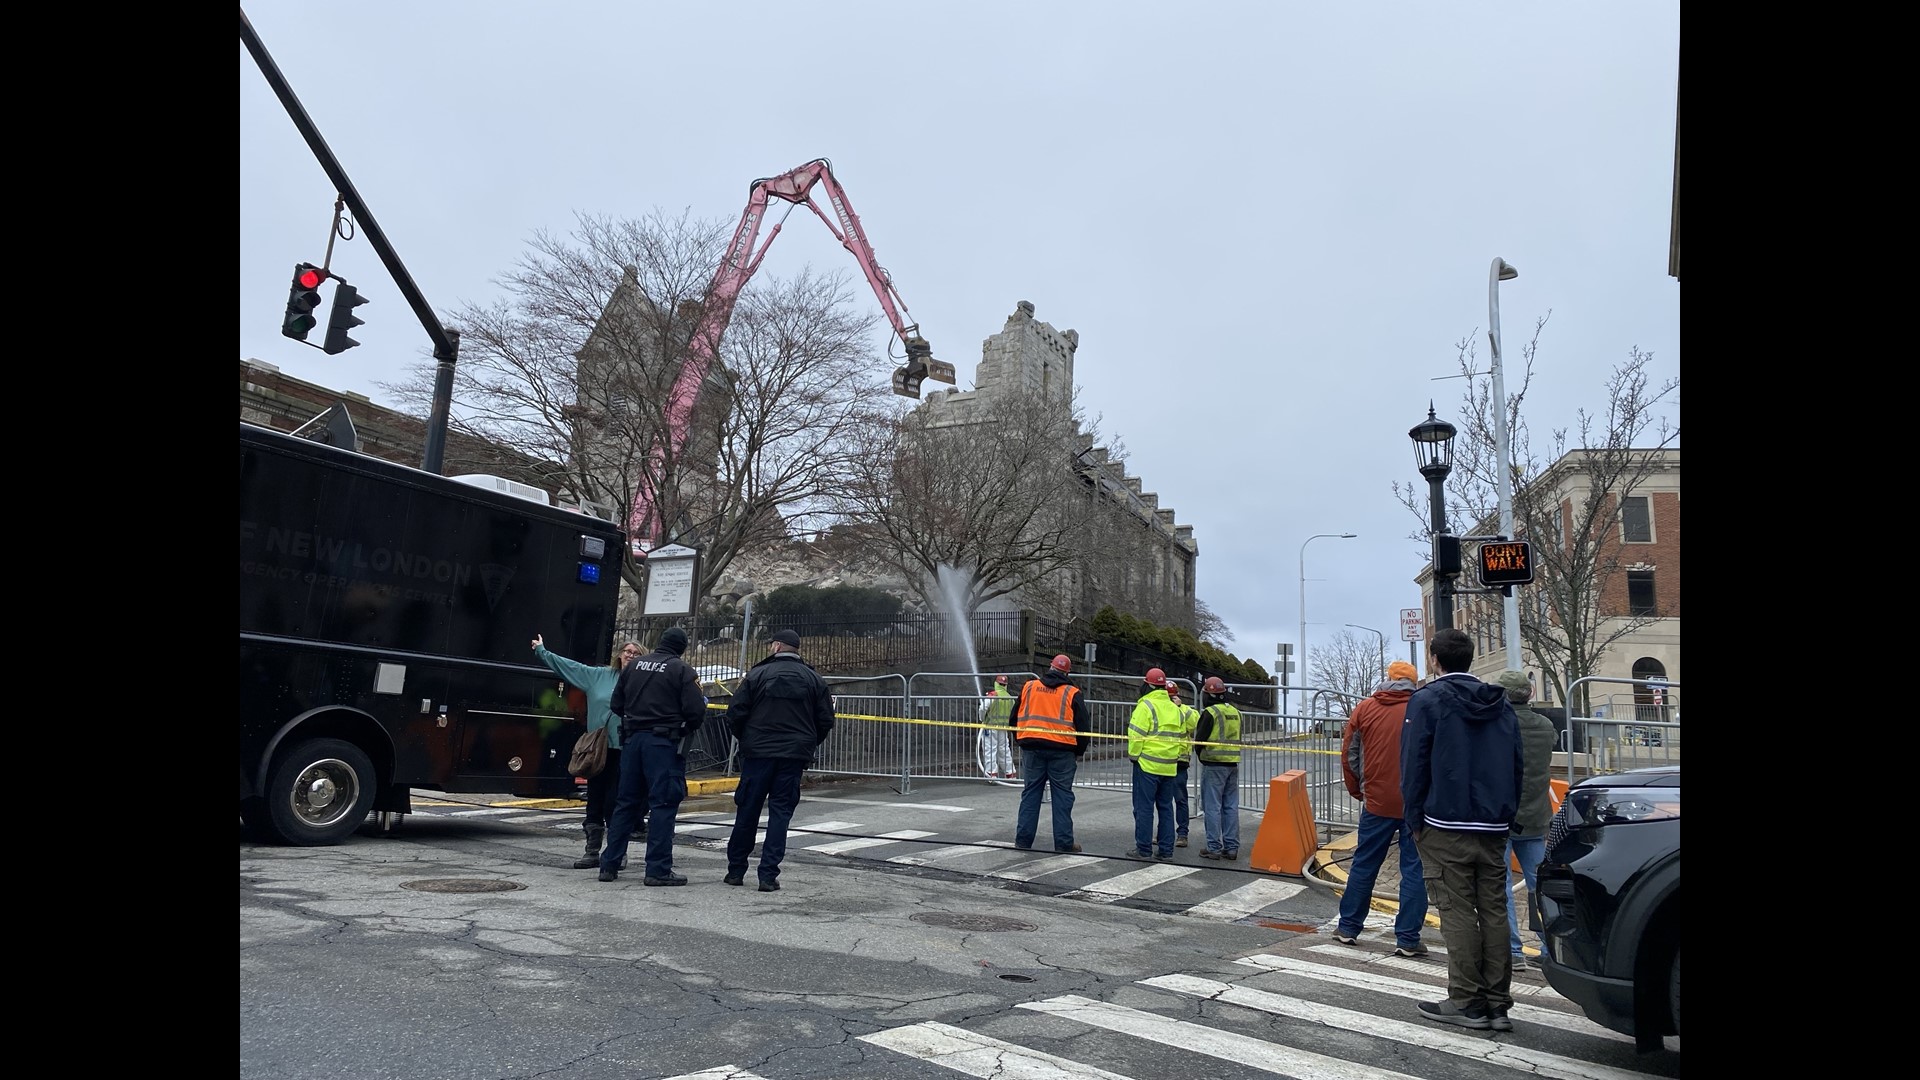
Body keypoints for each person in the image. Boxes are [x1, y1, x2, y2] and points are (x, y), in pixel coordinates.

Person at [1401, 627, 1524, 1031]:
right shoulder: (1500, 703)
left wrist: (1414, 819)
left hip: (1445, 821)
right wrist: (1507, 814)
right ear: (1470, 659)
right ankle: (1497, 1003)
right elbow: (1516, 764)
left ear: (1435, 659)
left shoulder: (1427, 701)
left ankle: (1467, 1000)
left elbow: (1414, 764)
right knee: (1493, 909)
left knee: (1456, 911)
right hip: (1492, 822)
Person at [724, 629, 838, 892]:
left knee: (747, 811)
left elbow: (735, 713)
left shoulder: (757, 675)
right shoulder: (813, 679)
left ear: (776, 646)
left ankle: (735, 870)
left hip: (758, 755)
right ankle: (768, 875)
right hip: (792, 757)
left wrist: (747, 739)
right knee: (780, 814)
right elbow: (825, 720)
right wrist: (806, 744)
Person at [1332, 659, 1429, 956]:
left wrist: (1358, 789)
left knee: (1365, 863)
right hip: (1417, 803)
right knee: (1415, 869)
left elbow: (1350, 755)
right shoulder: (1424, 708)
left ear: (1388, 679)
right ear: (1413, 682)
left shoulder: (1366, 708)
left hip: (1377, 800)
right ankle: (1408, 938)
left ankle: (1348, 927)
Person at [598, 627, 707, 886]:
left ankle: (609, 865)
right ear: (682, 648)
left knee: (626, 803)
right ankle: (658, 869)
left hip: (632, 741)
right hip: (663, 745)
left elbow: (616, 704)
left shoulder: (634, 666)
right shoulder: (682, 671)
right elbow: (695, 712)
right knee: (663, 804)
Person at [532, 634, 640, 869]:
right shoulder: (599, 676)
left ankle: (617, 851)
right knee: (595, 799)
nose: (631, 656)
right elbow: (570, 667)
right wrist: (542, 651)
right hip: (597, 750)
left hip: (625, 750)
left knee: (615, 801)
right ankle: (592, 851)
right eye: (628, 651)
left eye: (636, 653)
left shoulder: (644, 682)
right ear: (620, 655)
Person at [1500, 670, 1558, 971]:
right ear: (1530, 693)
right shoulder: (1546, 726)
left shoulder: (1498, 724)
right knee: (1540, 887)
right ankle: (1550, 949)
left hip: (1503, 817)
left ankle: (1513, 950)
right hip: (1536, 816)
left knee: (1501, 887)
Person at [1009, 653, 1092, 853]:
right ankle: (1064, 843)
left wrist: (1021, 741)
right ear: (1067, 673)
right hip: (1062, 752)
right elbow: (1083, 727)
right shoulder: (1072, 693)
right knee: (1062, 797)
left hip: (1032, 748)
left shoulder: (1029, 687)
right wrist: (1078, 752)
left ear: (1050, 667)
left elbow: (1013, 719)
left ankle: (1023, 841)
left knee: (1031, 794)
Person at [1127, 668, 1190, 860]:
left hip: (1147, 765)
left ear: (1148, 685)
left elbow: (1136, 735)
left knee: (1144, 808)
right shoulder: (1175, 708)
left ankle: (1144, 849)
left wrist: (1134, 756)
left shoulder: (1145, 706)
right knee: (1166, 808)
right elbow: (1181, 736)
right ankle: (1166, 851)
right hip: (1169, 766)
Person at [1193, 676, 1243, 860]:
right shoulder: (1236, 712)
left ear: (1208, 694)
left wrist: (1201, 756)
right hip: (1232, 765)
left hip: (1213, 764)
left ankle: (1213, 847)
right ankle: (1231, 847)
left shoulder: (1210, 713)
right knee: (1230, 806)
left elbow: (1199, 740)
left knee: (1212, 807)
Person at [1166, 683, 1197, 847]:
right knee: (1163, 800)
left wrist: (1179, 708)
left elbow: (1194, 723)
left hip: (1180, 761)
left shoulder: (1185, 710)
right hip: (1164, 759)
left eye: (1173, 696)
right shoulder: (1161, 709)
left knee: (1180, 799)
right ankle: (1164, 832)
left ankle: (1182, 834)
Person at [978, 675, 1017, 779]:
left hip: (990, 727)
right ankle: (1011, 773)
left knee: (990, 749)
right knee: (1004, 750)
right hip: (1003, 728)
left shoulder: (993, 695)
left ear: (996, 683)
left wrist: (982, 719)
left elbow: (983, 708)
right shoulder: (1010, 698)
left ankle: (991, 774)